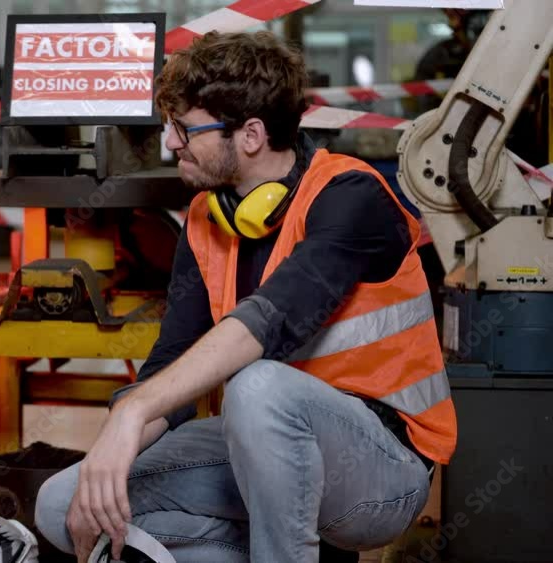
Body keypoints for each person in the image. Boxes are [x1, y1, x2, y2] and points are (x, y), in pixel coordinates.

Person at [35, 31, 456, 562]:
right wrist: (114, 445)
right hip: (265, 458)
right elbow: (172, 363)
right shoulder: (205, 219)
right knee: (62, 503)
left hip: (382, 469)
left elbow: (271, 321)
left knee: (257, 386)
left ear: (251, 134)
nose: (170, 142)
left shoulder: (352, 196)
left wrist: (133, 412)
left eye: (185, 128)